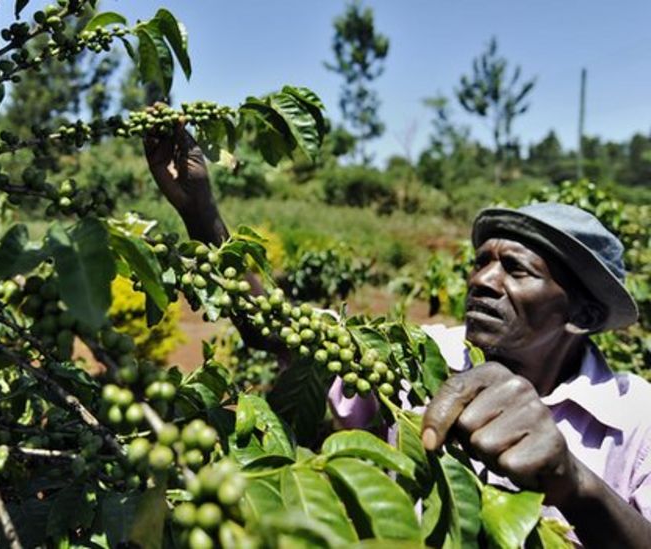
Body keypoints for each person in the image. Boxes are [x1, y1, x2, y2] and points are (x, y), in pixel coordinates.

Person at [144, 129, 651, 547]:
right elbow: (281, 331)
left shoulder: (638, 420)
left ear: (581, 314)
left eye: (516, 269)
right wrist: (201, 212)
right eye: (481, 263)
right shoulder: (422, 357)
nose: (481, 280)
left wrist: (578, 487)